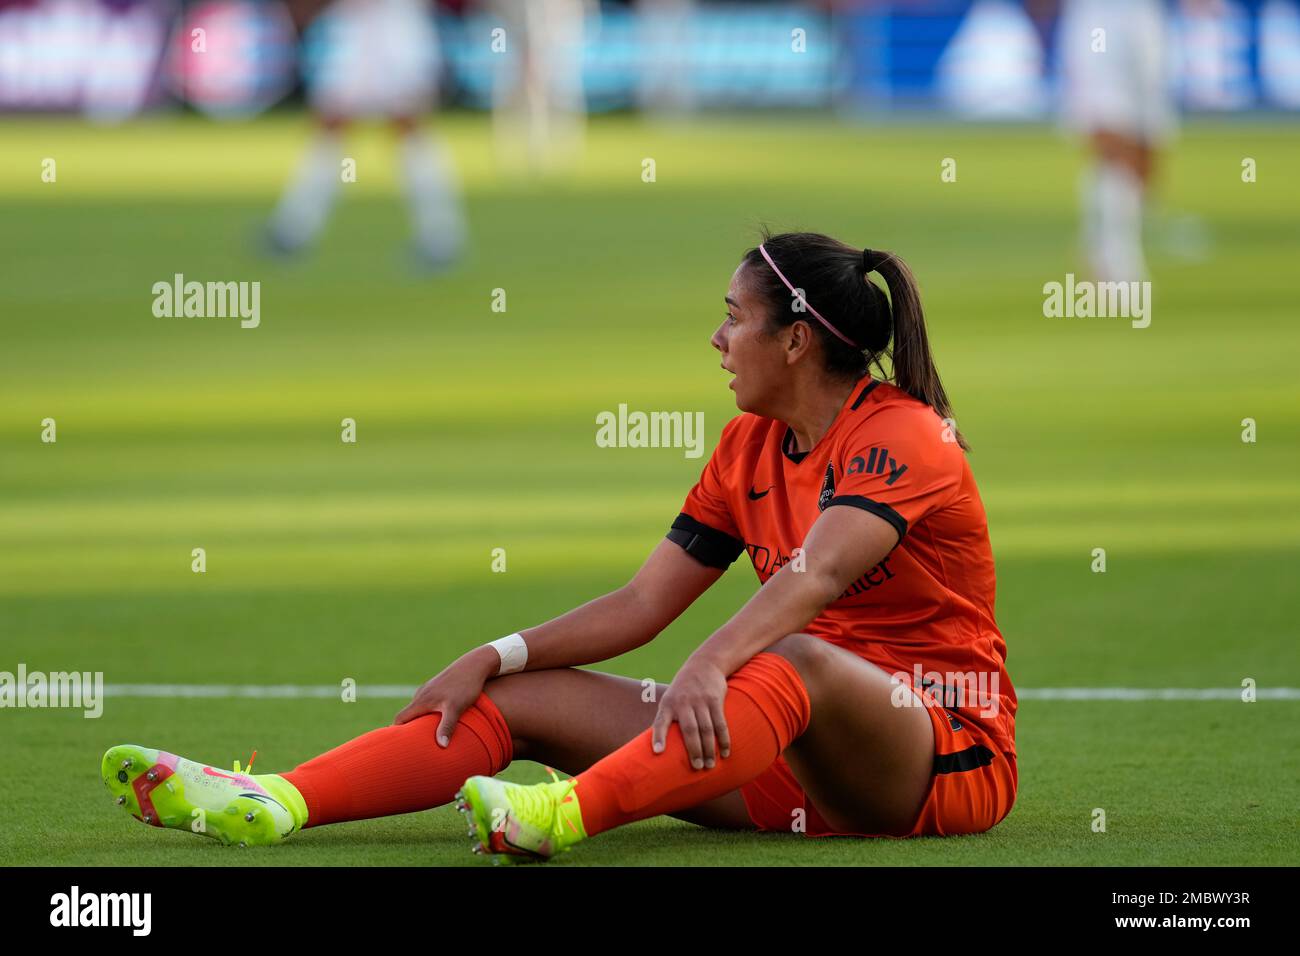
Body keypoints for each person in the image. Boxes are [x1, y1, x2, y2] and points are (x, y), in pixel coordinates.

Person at [101, 231, 1017, 860]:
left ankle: (561, 818)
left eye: (734, 316)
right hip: (779, 756)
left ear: (798, 340)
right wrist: (494, 652)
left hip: (939, 754)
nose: (717, 337)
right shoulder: (746, 448)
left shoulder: (904, 435)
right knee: (518, 696)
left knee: (799, 660)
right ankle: (276, 801)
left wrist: (708, 663)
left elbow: (816, 572)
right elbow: (640, 604)